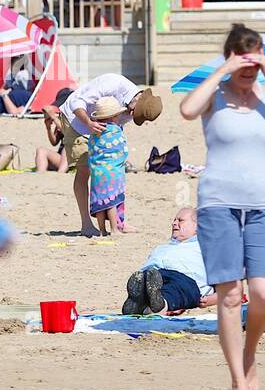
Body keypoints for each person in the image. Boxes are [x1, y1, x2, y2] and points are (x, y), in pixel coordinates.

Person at [179, 23, 265, 390]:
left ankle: (250, 351)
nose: (248, 73)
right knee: (230, 294)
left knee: (263, 293)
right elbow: (187, 110)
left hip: (262, 204)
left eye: (253, 65)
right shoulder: (214, 95)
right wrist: (221, 71)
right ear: (231, 60)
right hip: (218, 203)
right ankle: (237, 379)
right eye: (243, 65)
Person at [59, 75, 163, 236]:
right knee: (84, 170)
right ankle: (86, 223)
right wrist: (89, 123)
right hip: (76, 121)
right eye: (135, 112)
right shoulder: (112, 84)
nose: (131, 114)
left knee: (112, 176)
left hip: (97, 128)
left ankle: (119, 223)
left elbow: (116, 127)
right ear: (139, 97)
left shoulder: (131, 109)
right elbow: (75, 102)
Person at [122, 208, 216, 316]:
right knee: (147, 281)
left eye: (180, 220)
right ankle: (141, 303)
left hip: (185, 277)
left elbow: (225, 281)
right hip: (155, 274)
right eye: (174, 220)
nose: (174, 223)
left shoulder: (205, 247)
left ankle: (159, 305)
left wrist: (212, 299)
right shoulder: (163, 247)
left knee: (175, 290)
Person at [87, 97, 131, 236]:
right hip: (112, 172)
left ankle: (102, 230)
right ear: (114, 117)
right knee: (111, 200)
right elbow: (122, 150)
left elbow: (91, 150)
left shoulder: (94, 133)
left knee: (100, 202)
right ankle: (114, 229)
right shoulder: (115, 131)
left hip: (96, 172)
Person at [35, 88, 75, 173]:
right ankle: (40, 173)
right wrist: (48, 127)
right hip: (62, 159)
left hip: (74, 157)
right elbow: (54, 142)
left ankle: (60, 173)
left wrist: (54, 117)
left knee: (67, 147)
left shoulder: (76, 117)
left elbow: (68, 133)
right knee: (41, 150)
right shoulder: (61, 116)